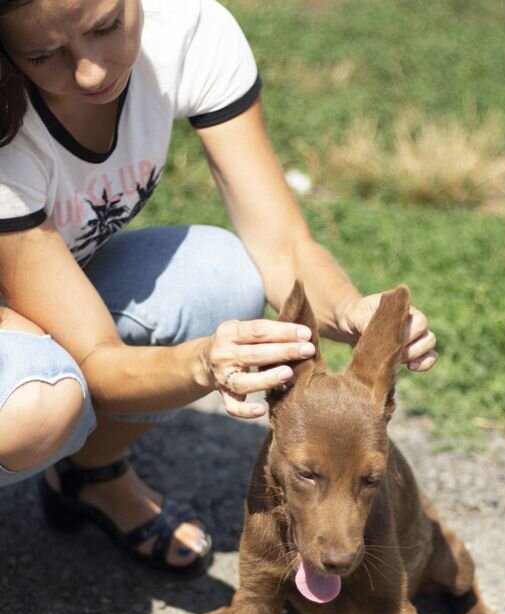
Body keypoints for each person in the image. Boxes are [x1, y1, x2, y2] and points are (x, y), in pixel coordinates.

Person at [0, 0, 437, 575]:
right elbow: (96, 362)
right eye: (44, 54)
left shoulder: (188, 30)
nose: (91, 71)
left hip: (41, 290)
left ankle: (90, 475)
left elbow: (280, 246)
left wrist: (351, 309)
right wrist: (202, 365)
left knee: (222, 275)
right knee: (41, 401)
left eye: (106, 26)